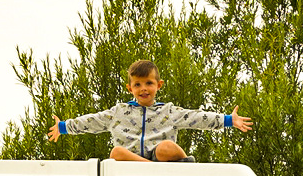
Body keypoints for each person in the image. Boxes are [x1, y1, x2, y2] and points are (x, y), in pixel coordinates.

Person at [45, 59, 254, 161]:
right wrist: (64, 127)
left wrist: (228, 120)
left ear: (158, 85)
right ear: (130, 88)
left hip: (162, 158)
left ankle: (181, 166)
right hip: (134, 163)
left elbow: (195, 117)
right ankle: (151, 169)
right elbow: (92, 121)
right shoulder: (119, 112)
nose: (143, 88)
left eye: (148, 83)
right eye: (137, 84)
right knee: (116, 152)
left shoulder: (168, 111)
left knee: (166, 147)